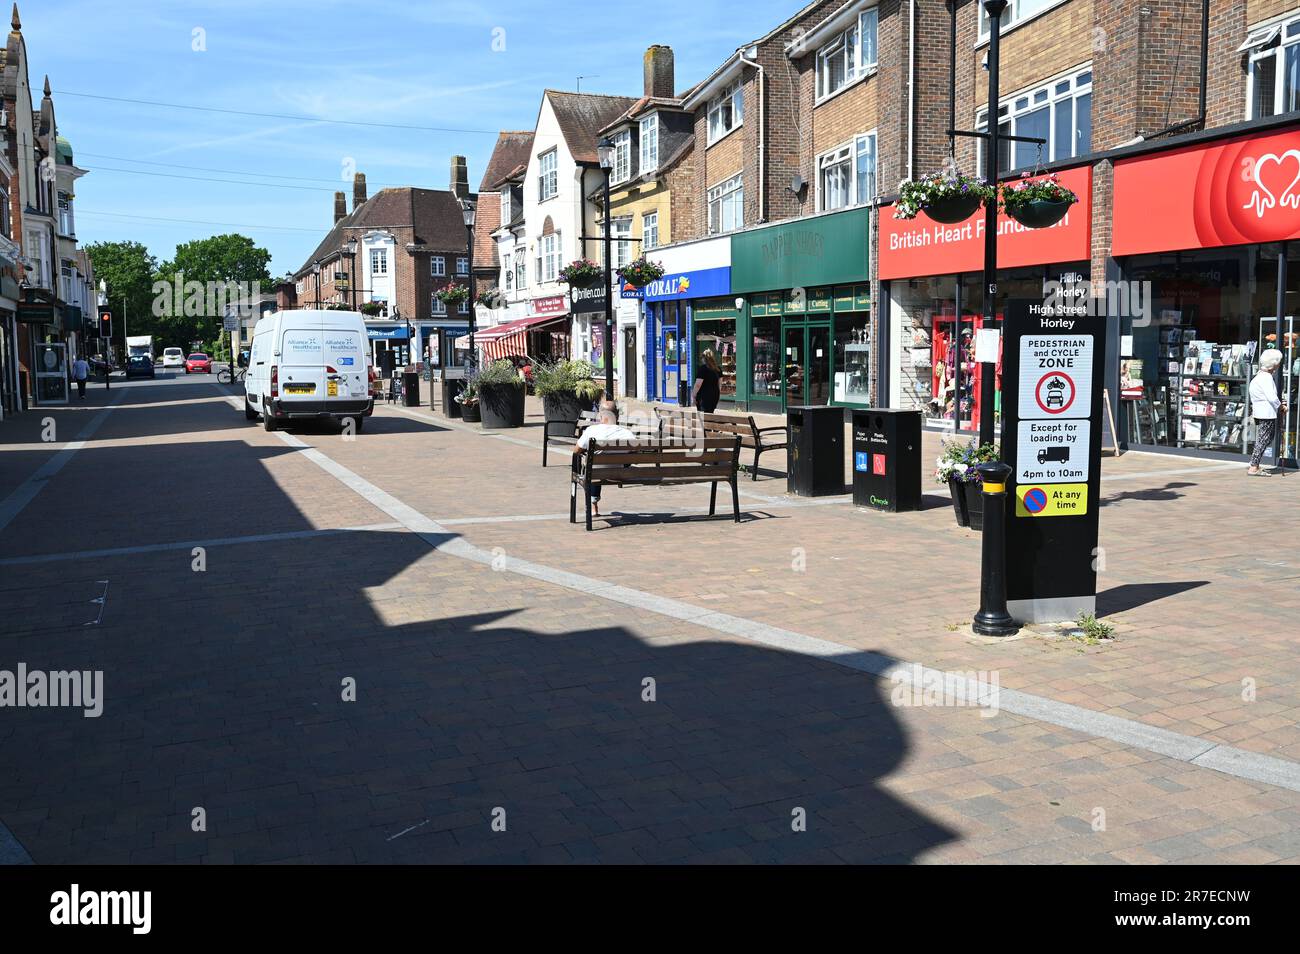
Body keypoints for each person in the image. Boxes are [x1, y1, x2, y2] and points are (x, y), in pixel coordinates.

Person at [573, 406, 635, 516]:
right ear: (617, 416)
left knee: (593, 467)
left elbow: (576, 451)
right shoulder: (627, 433)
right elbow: (634, 453)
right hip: (619, 473)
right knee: (599, 465)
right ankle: (593, 504)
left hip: (595, 473)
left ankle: (593, 505)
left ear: (601, 416)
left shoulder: (591, 430)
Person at [1248, 348, 1287, 476]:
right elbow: (1271, 396)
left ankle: (1255, 465)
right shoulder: (1266, 378)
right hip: (1266, 412)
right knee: (1264, 439)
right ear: (1274, 363)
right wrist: (1281, 406)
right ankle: (1254, 466)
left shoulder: (1259, 376)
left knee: (1264, 438)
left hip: (1260, 411)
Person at [692, 348, 722, 413]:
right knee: (710, 415)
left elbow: (698, 385)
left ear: (704, 359)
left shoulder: (703, 369)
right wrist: (718, 395)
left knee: (702, 417)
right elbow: (719, 385)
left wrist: (693, 395)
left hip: (703, 397)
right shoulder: (718, 369)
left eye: (702, 358)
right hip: (714, 395)